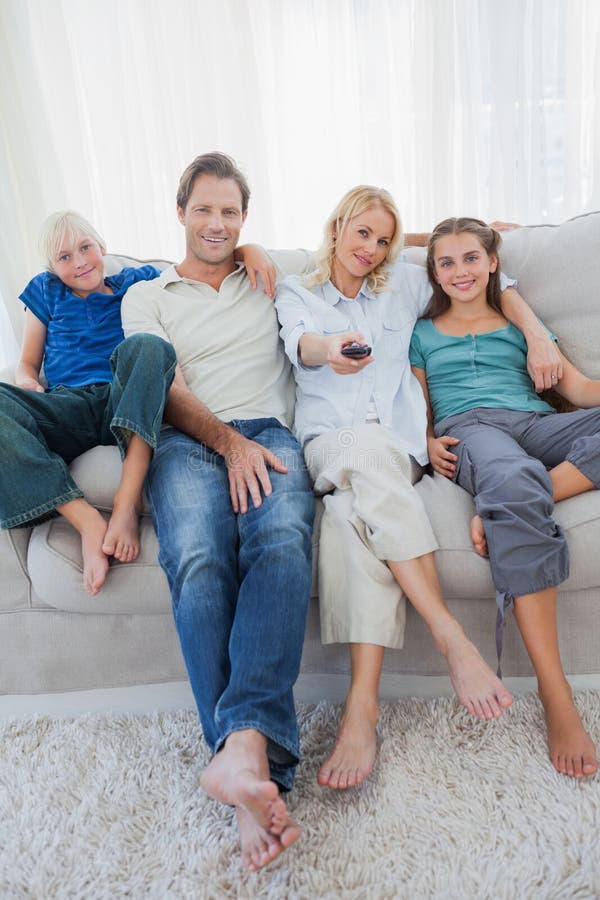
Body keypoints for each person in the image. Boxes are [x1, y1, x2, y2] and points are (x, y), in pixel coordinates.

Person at [275, 186, 561, 790]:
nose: (371, 249)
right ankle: (450, 637)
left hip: (399, 449)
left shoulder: (402, 282)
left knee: (348, 519)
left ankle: (362, 708)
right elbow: (302, 342)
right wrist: (330, 350)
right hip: (331, 441)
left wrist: (534, 330)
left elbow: (483, 275)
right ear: (336, 227)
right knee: (363, 465)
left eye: (384, 240)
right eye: (362, 233)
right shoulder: (297, 289)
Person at [120, 152, 317, 872]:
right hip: (188, 441)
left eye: (229, 212)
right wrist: (227, 445)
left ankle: (240, 758)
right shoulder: (147, 295)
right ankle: (249, 760)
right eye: (203, 209)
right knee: (199, 560)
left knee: (282, 541)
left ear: (244, 218)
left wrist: (492, 235)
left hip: (270, 433)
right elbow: (165, 391)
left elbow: (363, 238)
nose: (216, 223)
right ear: (180, 212)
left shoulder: (271, 277)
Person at [409, 216, 599, 779]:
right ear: (434, 273)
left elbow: (580, 390)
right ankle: (555, 692)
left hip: (536, 423)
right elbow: (418, 409)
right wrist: (424, 440)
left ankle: (510, 505)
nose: (460, 271)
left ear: (494, 263)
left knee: (516, 485)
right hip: (472, 430)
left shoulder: (523, 326)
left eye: (472, 258)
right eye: (446, 263)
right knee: (510, 476)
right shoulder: (421, 334)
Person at [0, 210, 177, 595]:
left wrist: (246, 251)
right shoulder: (46, 290)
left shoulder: (135, 281)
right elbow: (28, 363)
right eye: (64, 257)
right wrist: (27, 381)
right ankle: (86, 520)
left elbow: (197, 268)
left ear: (102, 247)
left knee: (150, 346)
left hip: (122, 399)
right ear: (52, 267)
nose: (79, 262)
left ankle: (126, 504)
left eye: (85, 248)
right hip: (69, 406)